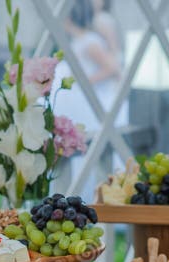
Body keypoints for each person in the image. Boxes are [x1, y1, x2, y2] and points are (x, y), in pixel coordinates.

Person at [51, 0, 128, 201]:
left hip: (87, 105)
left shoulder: (90, 42)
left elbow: (113, 68)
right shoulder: (79, 40)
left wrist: (83, 82)